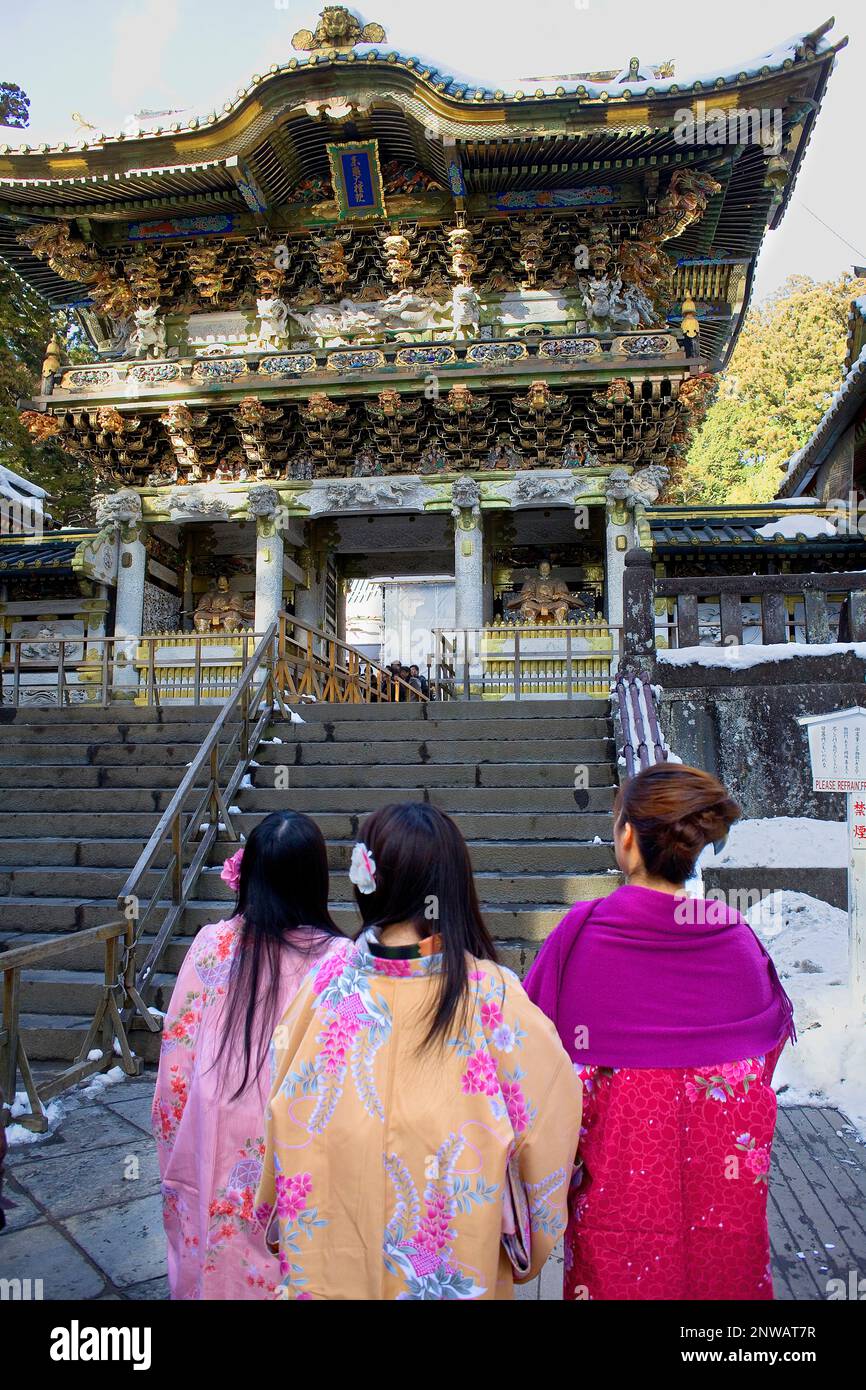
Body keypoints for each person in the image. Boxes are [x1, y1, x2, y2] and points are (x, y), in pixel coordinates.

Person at [257, 802, 581, 1300]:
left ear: (370, 882)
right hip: (453, 1256)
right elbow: (550, 1117)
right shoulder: (489, 994)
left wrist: (273, 1201)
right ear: (452, 887)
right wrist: (529, 1238)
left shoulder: (326, 986)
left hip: (334, 1254)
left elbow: (283, 1103)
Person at [525, 763, 795, 1302]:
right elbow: (761, 1061)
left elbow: (532, 1061)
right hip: (725, 1203)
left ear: (626, 836)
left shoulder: (579, 938)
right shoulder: (737, 941)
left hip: (616, 1204)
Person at [152, 811, 344, 1299]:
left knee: (222, 1252)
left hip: (218, 1131)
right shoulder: (343, 961)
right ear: (316, 881)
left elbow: (176, 1069)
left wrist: (179, 1145)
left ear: (250, 876)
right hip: (307, 1141)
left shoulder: (212, 946)